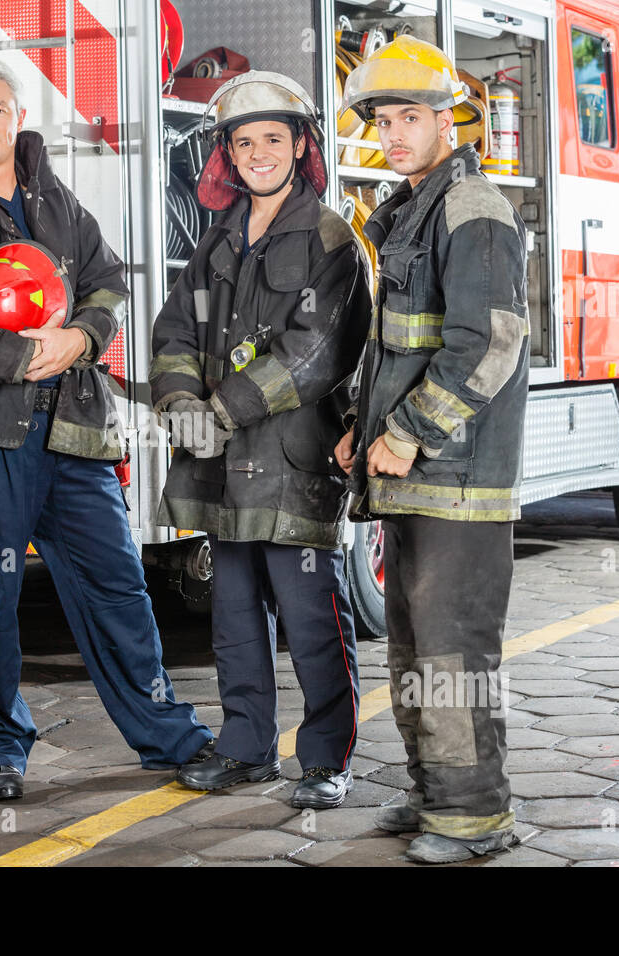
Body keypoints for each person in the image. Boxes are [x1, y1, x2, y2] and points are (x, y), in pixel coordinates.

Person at [0, 58, 212, 802]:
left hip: (74, 433)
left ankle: (170, 736)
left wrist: (85, 339)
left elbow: (108, 280)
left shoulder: (54, 197)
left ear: (18, 116)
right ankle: (0, 746)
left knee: (119, 587)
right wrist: (18, 355)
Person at [151, 71, 370, 809]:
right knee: (235, 617)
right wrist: (180, 395)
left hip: (292, 462)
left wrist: (222, 410)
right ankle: (246, 746)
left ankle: (325, 759)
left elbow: (316, 354)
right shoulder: (218, 236)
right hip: (222, 472)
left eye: (272, 139)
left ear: (301, 145)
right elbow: (176, 326)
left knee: (313, 620)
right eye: (243, 142)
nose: (258, 153)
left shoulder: (330, 240)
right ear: (227, 155)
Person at [337, 34, 530, 863]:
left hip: (457, 482)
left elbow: (489, 343)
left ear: (447, 119)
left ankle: (474, 816)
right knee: (416, 648)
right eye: (384, 119)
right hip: (414, 478)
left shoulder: (471, 207)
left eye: (410, 116)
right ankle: (432, 793)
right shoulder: (411, 208)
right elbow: (398, 348)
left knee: (453, 655)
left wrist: (408, 434)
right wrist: (362, 421)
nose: (395, 133)